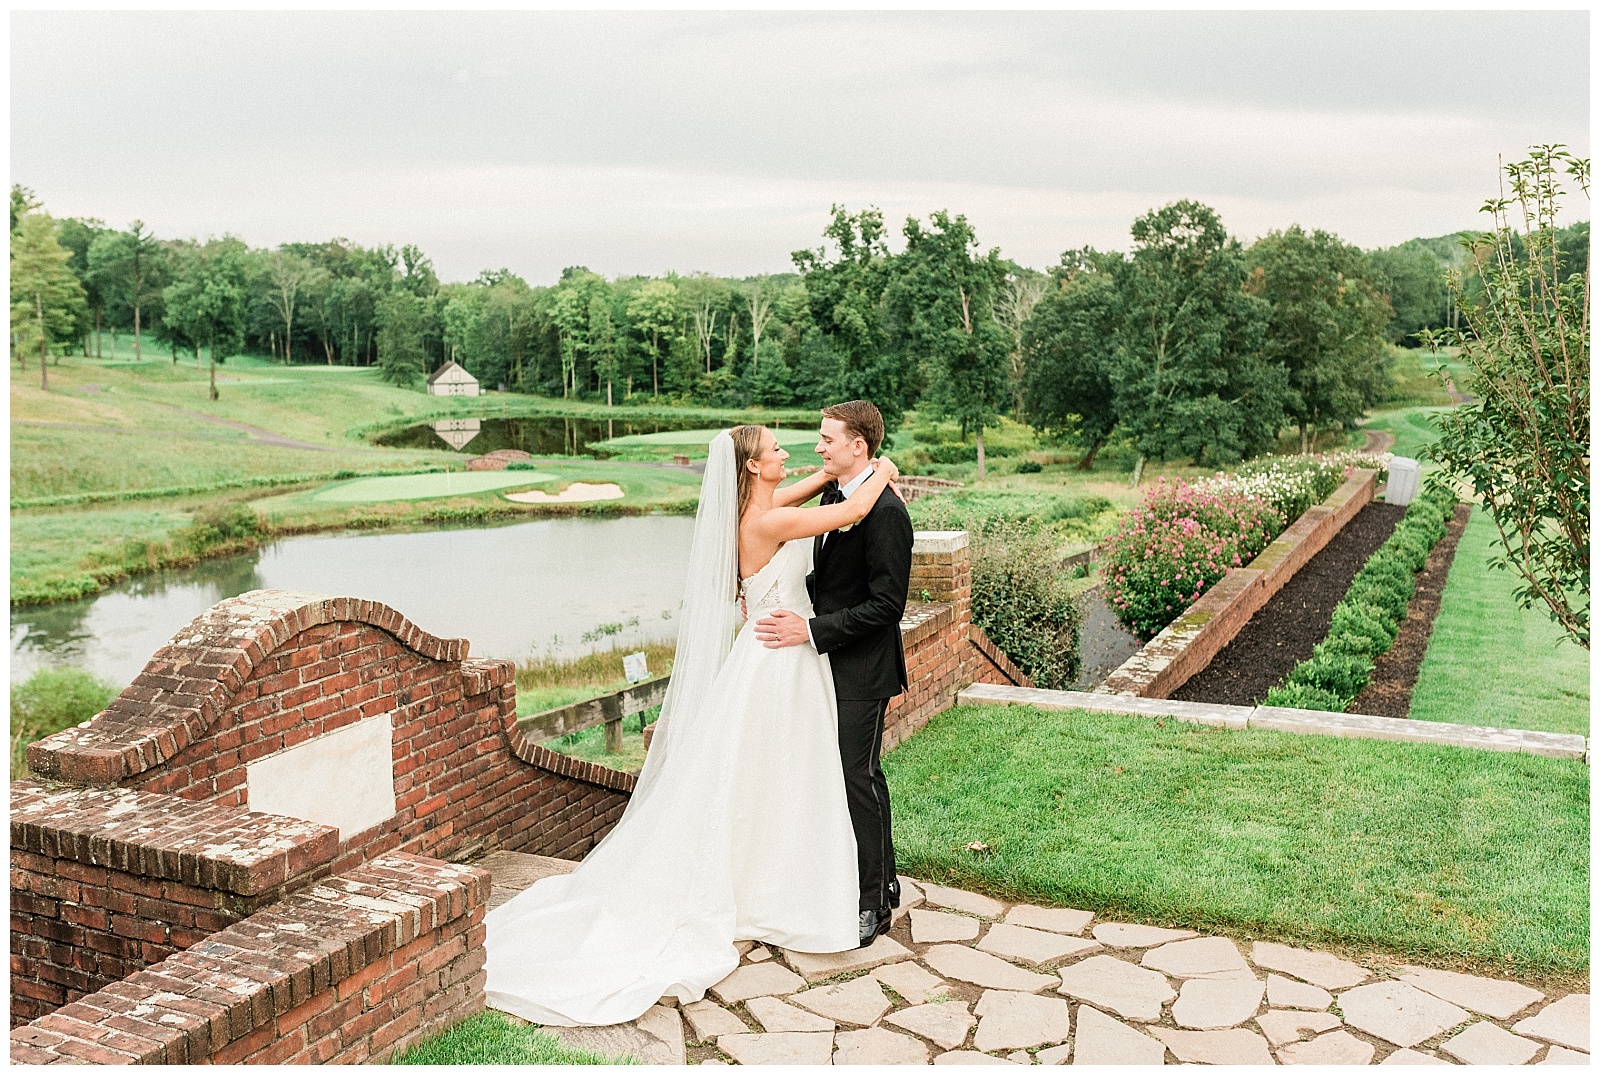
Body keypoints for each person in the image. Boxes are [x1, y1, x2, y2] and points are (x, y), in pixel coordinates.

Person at [483, 423, 901, 1028]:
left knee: (771, 775)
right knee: (776, 773)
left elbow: (820, 485)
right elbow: (853, 510)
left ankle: (786, 876)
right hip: (777, 660)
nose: (791, 454)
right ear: (754, 468)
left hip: (779, 658)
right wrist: (882, 471)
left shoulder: (766, 505)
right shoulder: (765, 522)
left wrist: (839, 470)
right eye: (776, 449)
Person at [753, 400, 914, 948]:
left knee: (858, 779)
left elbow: (887, 605)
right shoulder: (832, 494)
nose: (818, 448)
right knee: (845, 777)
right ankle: (876, 881)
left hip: (862, 669)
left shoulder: (888, 513)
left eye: (827, 439)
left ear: (857, 447)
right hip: (820, 667)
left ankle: (875, 904)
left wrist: (812, 630)